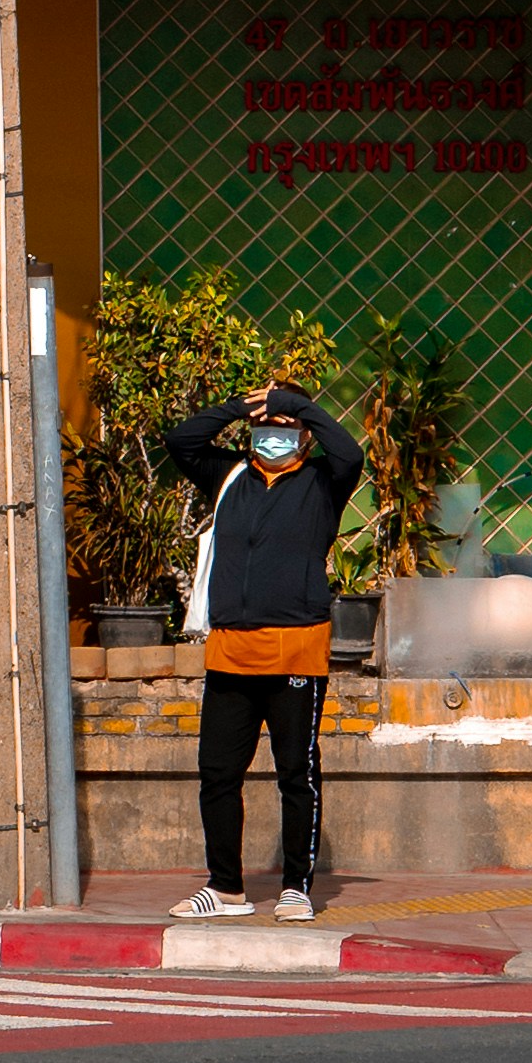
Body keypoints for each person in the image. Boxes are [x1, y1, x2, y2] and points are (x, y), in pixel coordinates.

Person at [168, 369, 363, 913]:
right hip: (231, 647)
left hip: (296, 647)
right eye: (266, 425)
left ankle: (297, 887)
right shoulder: (229, 475)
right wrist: (237, 407)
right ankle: (226, 887)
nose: (273, 433)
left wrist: (296, 406)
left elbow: (350, 453)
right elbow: (180, 440)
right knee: (217, 773)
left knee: (295, 772)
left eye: (286, 425)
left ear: (303, 433)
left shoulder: (324, 481)